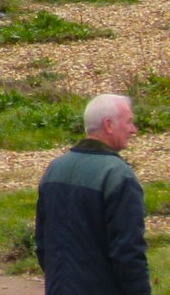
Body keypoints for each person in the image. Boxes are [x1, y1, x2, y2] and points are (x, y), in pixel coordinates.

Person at [35, 94, 149, 295]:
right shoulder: (117, 176)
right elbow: (128, 252)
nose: (133, 129)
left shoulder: (55, 169)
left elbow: (42, 243)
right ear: (108, 125)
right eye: (129, 122)